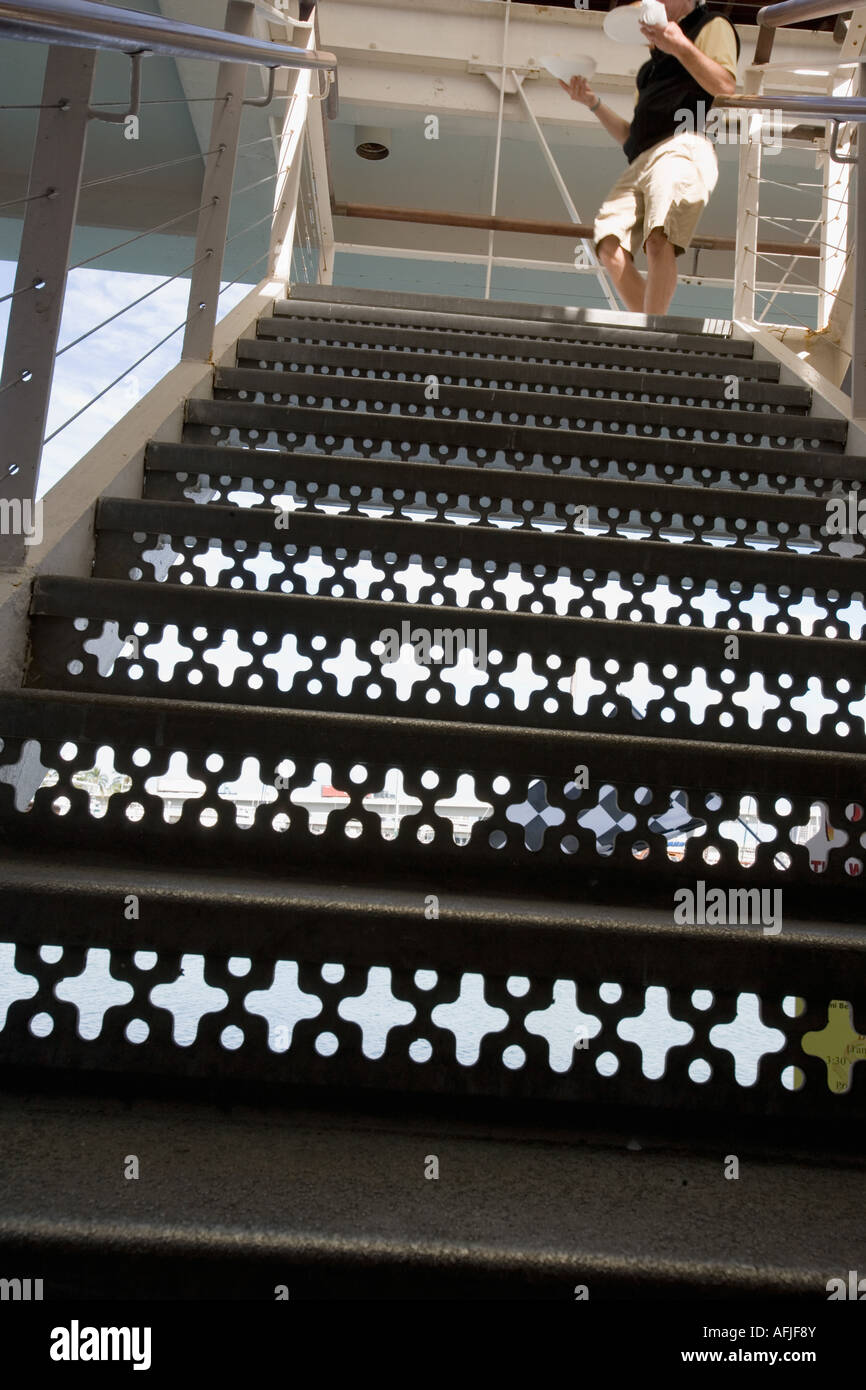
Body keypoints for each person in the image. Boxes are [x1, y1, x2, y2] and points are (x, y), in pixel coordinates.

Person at [561, 0, 739, 315]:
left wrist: (680, 45)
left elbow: (725, 86)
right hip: (644, 157)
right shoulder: (648, 71)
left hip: (685, 144)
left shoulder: (711, 25)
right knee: (609, 242)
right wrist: (592, 102)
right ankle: (649, 329)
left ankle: (651, 337)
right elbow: (632, 137)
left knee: (659, 237)